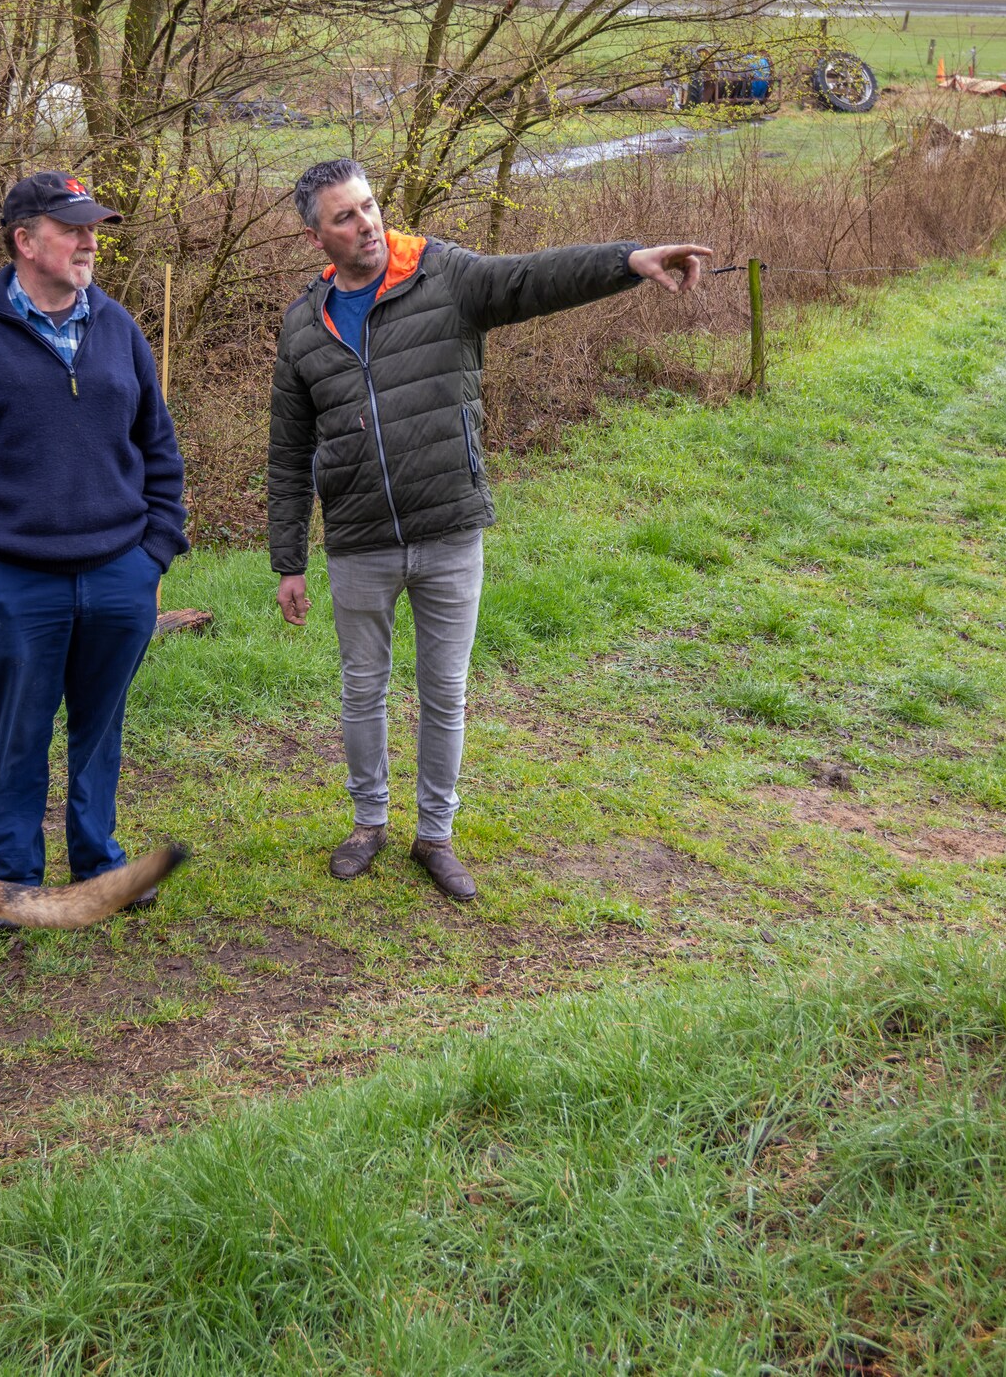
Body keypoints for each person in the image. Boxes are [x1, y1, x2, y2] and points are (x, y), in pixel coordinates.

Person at [267, 159, 710, 900]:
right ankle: (368, 823)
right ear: (317, 234)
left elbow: (531, 279)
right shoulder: (303, 325)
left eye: (370, 206)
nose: (366, 223)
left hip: (448, 530)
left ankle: (434, 836)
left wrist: (628, 262)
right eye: (344, 216)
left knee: (445, 692)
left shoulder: (445, 277)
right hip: (358, 538)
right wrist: (288, 559)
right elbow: (287, 450)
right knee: (361, 691)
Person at [0, 173, 188, 909]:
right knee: (18, 739)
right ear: (24, 240)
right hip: (17, 584)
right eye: (72, 229)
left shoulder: (118, 329)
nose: (91, 242)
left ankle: (99, 864)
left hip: (118, 574)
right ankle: (14, 884)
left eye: (94, 228)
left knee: (100, 733)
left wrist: (154, 553)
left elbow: (158, 449)